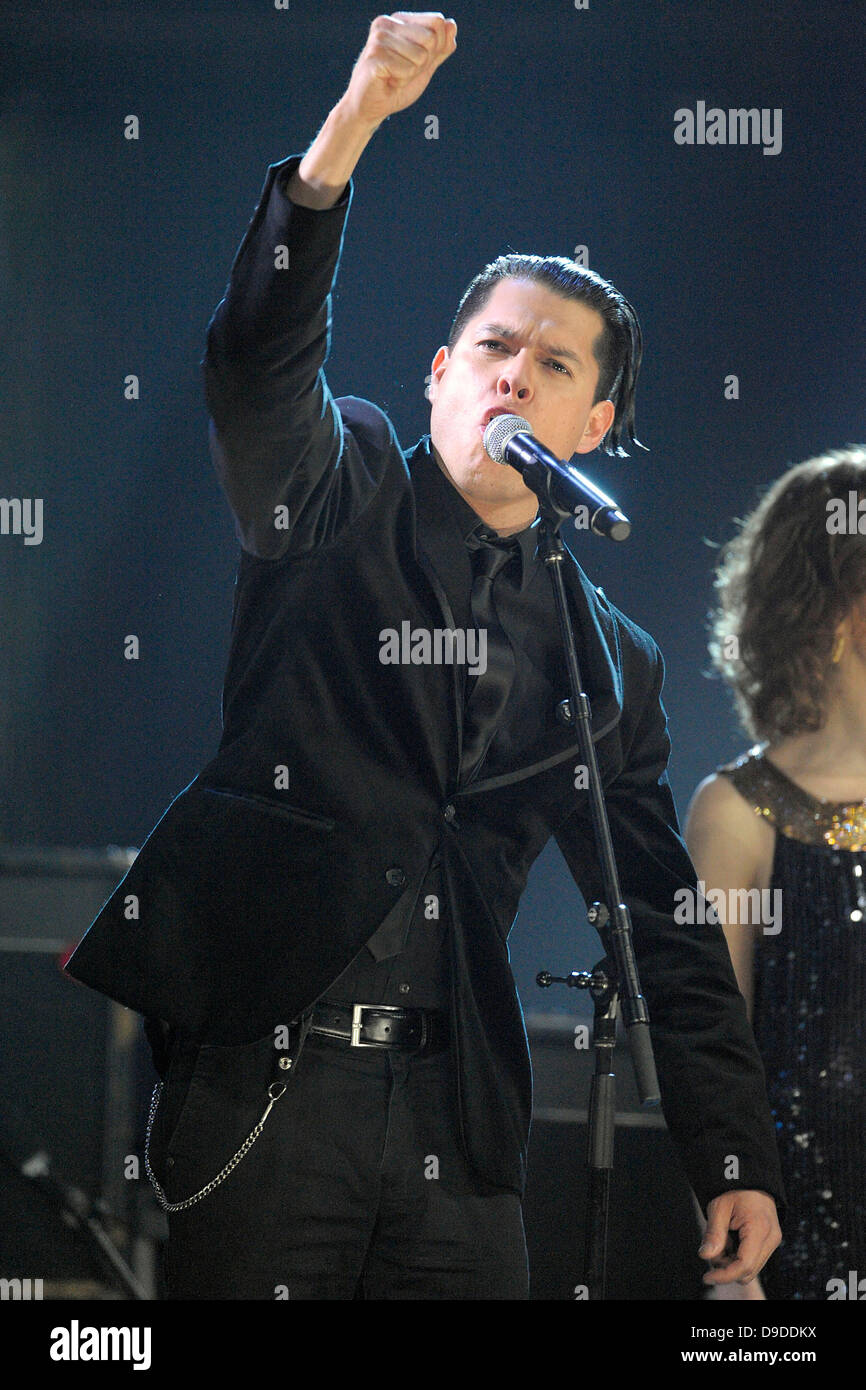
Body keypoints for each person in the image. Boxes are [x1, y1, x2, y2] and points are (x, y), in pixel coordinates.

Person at [66, 11, 783, 1299]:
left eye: (552, 363)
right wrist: (346, 136)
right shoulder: (337, 490)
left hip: (458, 1114)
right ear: (443, 371)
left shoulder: (605, 659)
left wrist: (730, 1152)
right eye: (494, 350)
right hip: (270, 1085)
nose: (515, 377)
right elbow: (257, 363)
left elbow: (662, 921)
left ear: (594, 420)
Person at [685, 447, 866, 1300]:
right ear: (835, 606)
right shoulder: (737, 814)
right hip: (793, 1250)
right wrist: (733, 1284)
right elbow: (712, 1065)